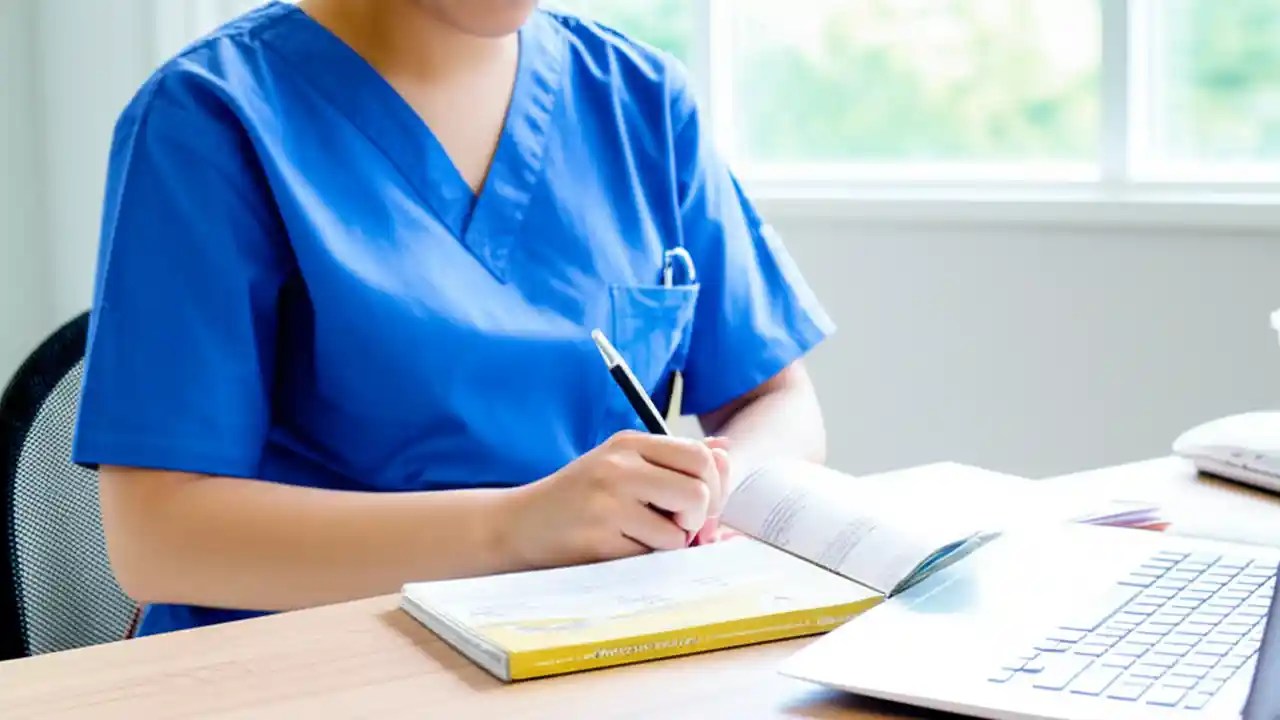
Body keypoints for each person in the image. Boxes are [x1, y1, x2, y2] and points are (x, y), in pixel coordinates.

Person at [73, 0, 833, 637]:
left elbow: (774, 398)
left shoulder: (640, 100)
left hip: (590, 651)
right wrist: (515, 530)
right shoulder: (209, 117)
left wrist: (723, 490)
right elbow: (158, 539)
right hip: (298, 667)